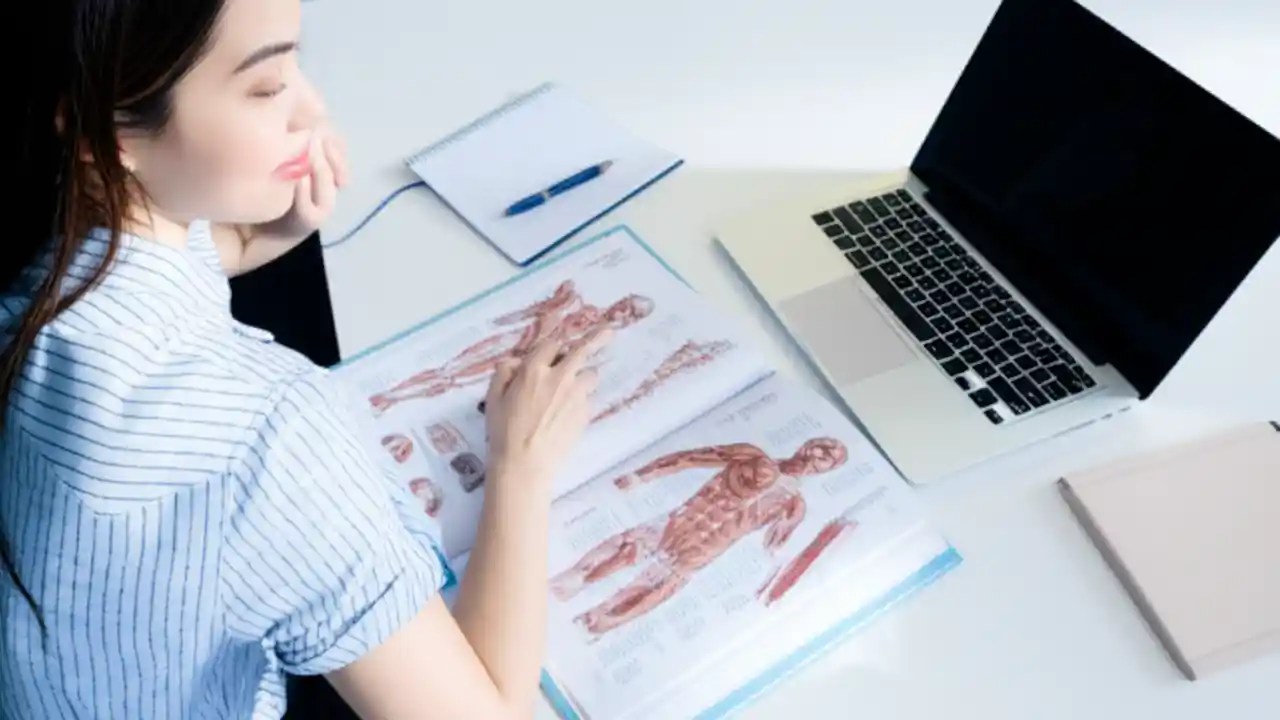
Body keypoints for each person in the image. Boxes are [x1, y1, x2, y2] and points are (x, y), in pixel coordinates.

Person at [1, 1, 608, 718]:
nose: (312, 108)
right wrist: (520, 468)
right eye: (265, 86)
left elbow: (189, 263)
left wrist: (275, 232)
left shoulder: (46, 257)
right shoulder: (267, 438)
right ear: (107, 129)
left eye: (296, 64)